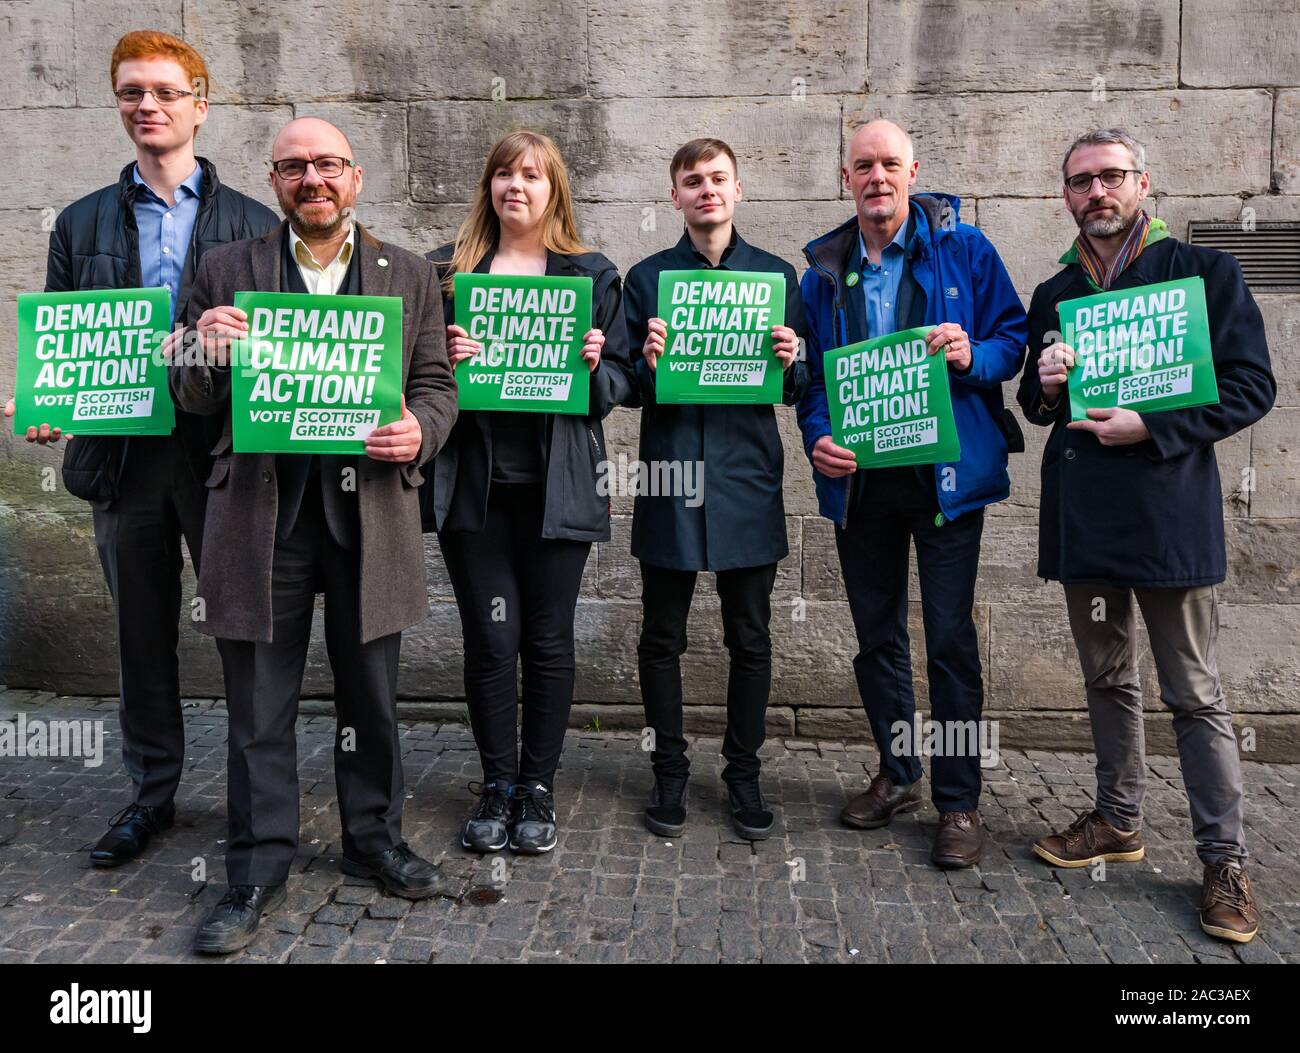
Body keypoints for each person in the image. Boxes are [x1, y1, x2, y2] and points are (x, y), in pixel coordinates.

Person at [171, 116, 458, 953]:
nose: (313, 179)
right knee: (259, 703)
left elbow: (436, 384)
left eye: (327, 164)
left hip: (369, 513)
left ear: (356, 178)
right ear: (275, 182)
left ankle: (375, 839)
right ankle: (255, 868)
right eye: (295, 166)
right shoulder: (226, 269)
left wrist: (421, 432)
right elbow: (188, 394)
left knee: (372, 694)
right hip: (264, 517)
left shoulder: (407, 274)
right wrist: (204, 351)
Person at [3, 30, 277, 868]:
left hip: (220, 456)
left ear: (201, 102)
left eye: (163, 91)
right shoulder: (82, 220)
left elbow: (280, 347)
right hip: (122, 456)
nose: (146, 106)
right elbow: (62, 334)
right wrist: (50, 402)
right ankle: (150, 794)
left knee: (242, 632)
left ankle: (251, 800)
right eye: (131, 92)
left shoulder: (253, 221)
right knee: (140, 635)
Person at [1018, 128, 1275, 943]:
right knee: (1106, 678)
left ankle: (1223, 859)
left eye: (1112, 177)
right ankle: (1119, 819)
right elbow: (1034, 403)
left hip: (1168, 516)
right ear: (1066, 195)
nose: (1098, 192)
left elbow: (1251, 386)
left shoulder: (1203, 272)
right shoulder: (1056, 288)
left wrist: (1151, 425)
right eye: (1082, 182)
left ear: (1142, 182)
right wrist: (1047, 383)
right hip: (1086, 518)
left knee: (1193, 692)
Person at [796, 119, 1028, 869]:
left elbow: (1014, 338)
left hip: (944, 477)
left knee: (951, 642)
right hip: (863, 484)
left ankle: (958, 802)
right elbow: (813, 383)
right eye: (863, 165)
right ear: (846, 177)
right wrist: (818, 437)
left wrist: (973, 352)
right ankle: (899, 772)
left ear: (912, 170)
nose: (877, 177)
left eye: (890, 163)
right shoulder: (823, 271)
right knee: (877, 639)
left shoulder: (966, 249)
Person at [420, 130, 634, 856]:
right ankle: (496, 781)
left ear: (554, 192)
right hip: (473, 489)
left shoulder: (594, 276)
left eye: (533, 176)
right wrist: (444, 358)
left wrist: (595, 366)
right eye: (505, 174)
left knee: (546, 639)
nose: (518, 186)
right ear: (488, 187)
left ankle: (537, 785)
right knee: (491, 638)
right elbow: (413, 379)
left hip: (559, 488)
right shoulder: (444, 276)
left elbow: (619, 387)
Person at [622, 137, 808, 840]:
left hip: (745, 477)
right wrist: (645, 362)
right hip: (671, 475)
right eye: (692, 181)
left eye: (718, 178)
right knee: (661, 636)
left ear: (738, 189)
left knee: (751, 637)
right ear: (675, 195)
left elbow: (797, 388)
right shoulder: (645, 280)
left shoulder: (776, 276)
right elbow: (626, 391)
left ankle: (743, 774)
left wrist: (793, 360)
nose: (707, 190)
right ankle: (669, 773)